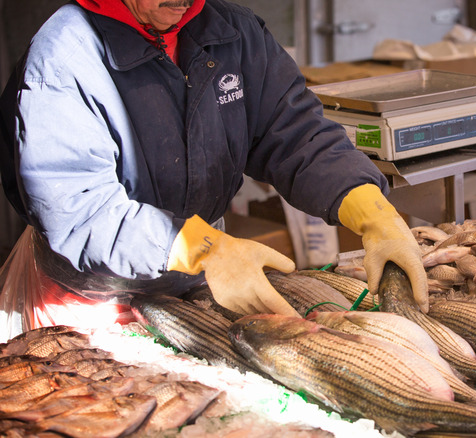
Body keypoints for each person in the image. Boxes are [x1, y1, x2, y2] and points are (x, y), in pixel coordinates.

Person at [0, 0, 428, 340]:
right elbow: (81, 210)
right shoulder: (65, 57)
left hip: (199, 288)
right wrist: (208, 250)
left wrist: (373, 214)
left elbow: (296, 134)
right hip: (90, 297)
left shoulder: (233, 33)